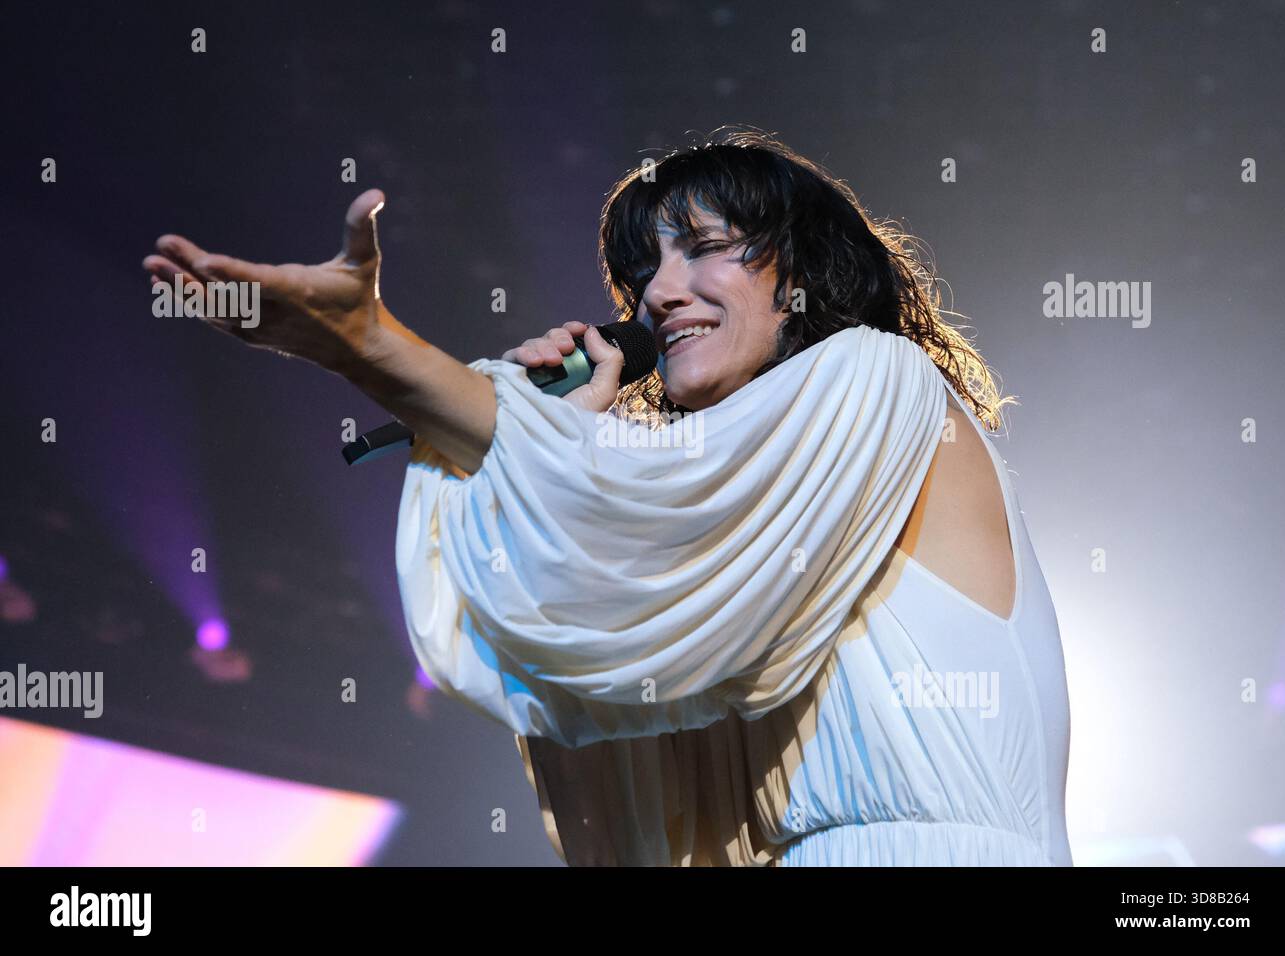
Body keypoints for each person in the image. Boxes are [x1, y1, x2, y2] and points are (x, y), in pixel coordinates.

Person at [142, 128, 1071, 867]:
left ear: (798, 276)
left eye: (704, 250)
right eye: (645, 271)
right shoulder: (730, 490)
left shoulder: (880, 378)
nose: (661, 293)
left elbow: (625, 503)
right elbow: (608, 536)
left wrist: (370, 344)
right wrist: (568, 430)